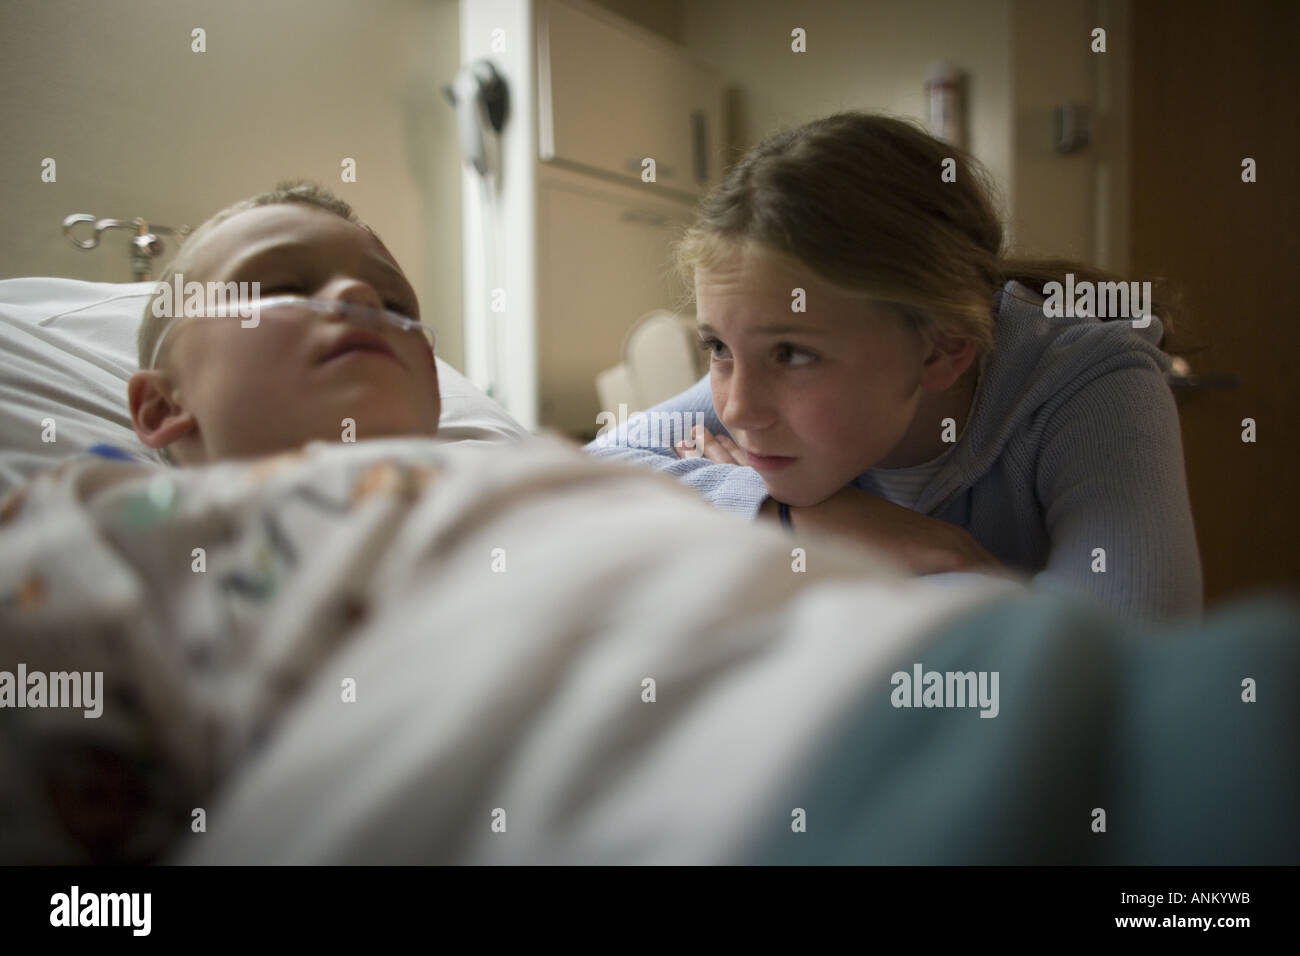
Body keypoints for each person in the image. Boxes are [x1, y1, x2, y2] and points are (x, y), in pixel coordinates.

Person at [586, 112, 1202, 626]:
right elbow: (583, 480)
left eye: (793, 355)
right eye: (717, 347)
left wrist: (974, 574)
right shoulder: (759, 359)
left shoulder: (1093, 382)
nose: (738, 408)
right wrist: (790, 513)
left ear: (941, 350)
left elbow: (1122, 666)